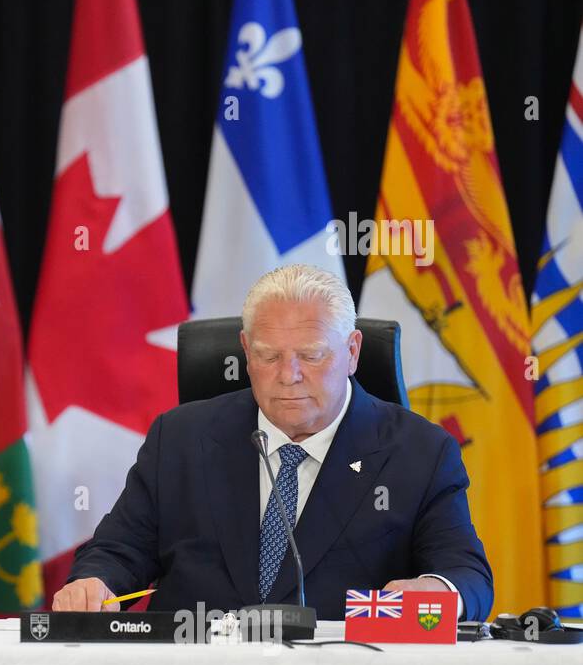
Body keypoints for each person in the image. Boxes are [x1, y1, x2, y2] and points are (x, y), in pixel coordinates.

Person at [53, 264, 493, 620]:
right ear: (246, 351)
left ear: (353, 351)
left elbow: (466, 576)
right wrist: (94, 583)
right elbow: (119, 550)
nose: (289, 375)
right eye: (268, 356)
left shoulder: (419, 452)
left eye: (312, 354)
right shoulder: (181, 438)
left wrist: (437, 589)